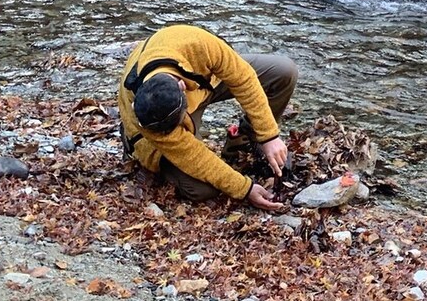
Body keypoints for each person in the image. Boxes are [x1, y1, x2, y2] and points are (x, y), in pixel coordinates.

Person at [117, 24, 296, 211]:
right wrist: (245, 189)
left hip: (203, 81)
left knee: (284, 72)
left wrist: (269, 136)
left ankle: (243, 142)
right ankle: (137, 143)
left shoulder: (197, 43)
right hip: (159, 123)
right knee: (202, 189)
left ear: (181, 86)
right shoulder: (146, 116)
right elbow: (194, 155)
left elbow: (243, 79)